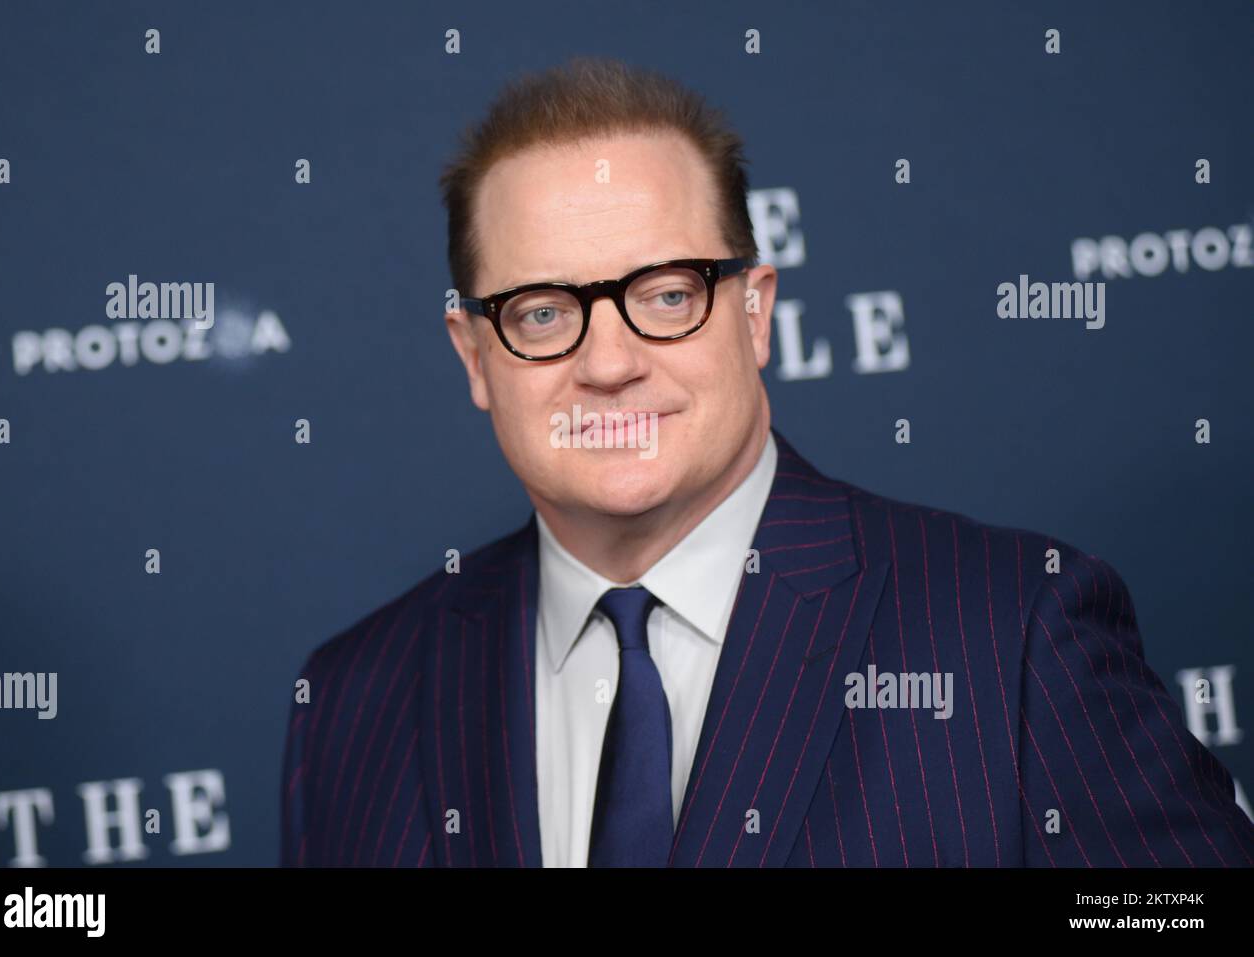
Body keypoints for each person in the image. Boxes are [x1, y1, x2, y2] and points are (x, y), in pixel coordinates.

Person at [280, 56, 1253, 867]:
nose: (609, 363)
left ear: (755, 313)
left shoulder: (1014, 636)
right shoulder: (354, 703)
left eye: (666, 294)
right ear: (475, 355)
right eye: (541, 311)